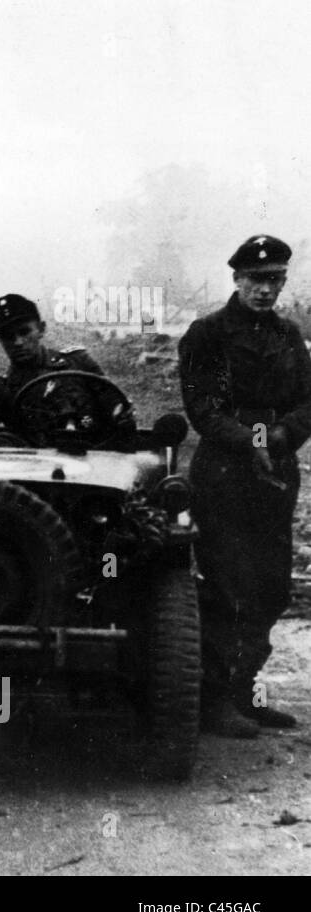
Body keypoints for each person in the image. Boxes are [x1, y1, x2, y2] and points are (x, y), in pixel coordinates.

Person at [179, 234, 311, 737]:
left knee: (272, 586)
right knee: (227, 587)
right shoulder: (207, 334)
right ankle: (213, 700)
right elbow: (203, 409)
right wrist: (249, 439)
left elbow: (307, 401)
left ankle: (245, 692)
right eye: (256, 279)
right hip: (224, 475)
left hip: (275, 473)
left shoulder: (289, 336)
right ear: (236, 279)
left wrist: (279, 435)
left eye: (274, 279)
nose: (265, 289)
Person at [0, 293, 104, 431]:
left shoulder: (78, 363)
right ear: (0, 340)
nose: (18, 342)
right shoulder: (1, 388)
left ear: (41, 329)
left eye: (24, 332)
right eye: (8, 336)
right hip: (40, 464)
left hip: (95, 458)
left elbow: (115, 404)